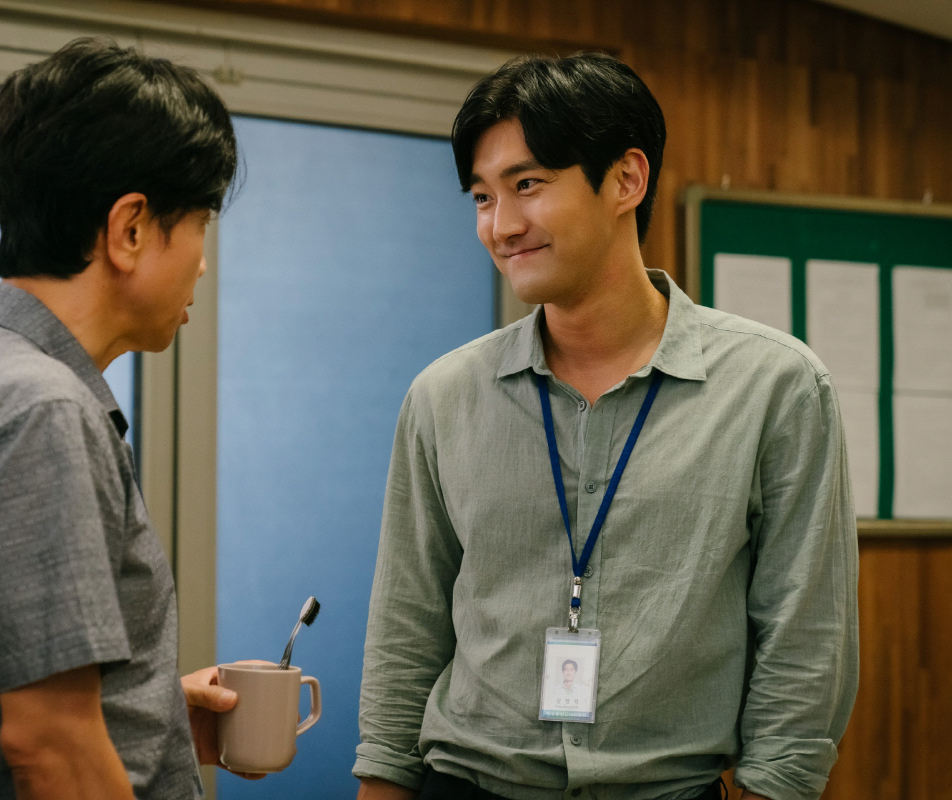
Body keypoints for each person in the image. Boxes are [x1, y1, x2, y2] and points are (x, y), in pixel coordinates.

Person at [354, 53, 859, 800]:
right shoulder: (444, 396)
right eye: (483, 197)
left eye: (528, 185)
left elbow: (805, 635)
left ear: (626, 179)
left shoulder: (774, 387)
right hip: (467, 781)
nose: (501, 226)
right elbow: (407, 624)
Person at [0, 38, 259, 799]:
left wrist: (149, 718)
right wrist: (81, 736)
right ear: (131, 229)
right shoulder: (42, 411)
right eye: (202, 222)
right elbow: (50, 745)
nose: (204, 262)